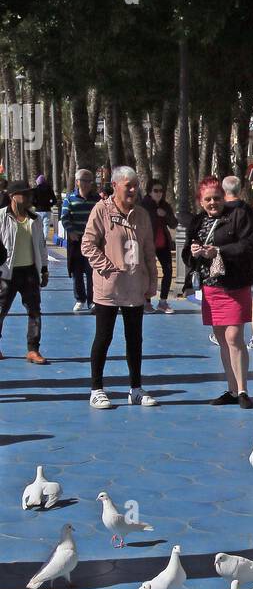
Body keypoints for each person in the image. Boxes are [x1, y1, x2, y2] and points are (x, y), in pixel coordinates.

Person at [82, 166, 158, 408]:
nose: (133, 190)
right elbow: (88, 244)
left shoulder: (142, 216)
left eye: (136, 185)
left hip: (135, 287)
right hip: (109, 288)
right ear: (115, 186)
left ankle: (136, 388)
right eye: (128, 186)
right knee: (103, 337)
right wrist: (107, 267)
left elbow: (148, 251)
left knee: (134, 338)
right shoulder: (101, 211)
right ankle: (96, 389)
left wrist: (151, 282)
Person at [183, 176, 253, 408]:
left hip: (235, 285)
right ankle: (231, 389)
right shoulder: (197, 222)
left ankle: (243, 390)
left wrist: (218, 251)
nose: (213, 203)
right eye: (207, 199)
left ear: (224, 197)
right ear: (200, 201)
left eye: (217, 198)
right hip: (211, 288)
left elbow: (249, 245)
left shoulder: (239, 216)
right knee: (221, 339)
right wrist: (194, 252)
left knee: (234, 337)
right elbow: (187, 254)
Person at [0, 180, 50, 363]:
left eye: (30, 193)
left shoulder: (35, 219)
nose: (30, 197)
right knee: (0, 310)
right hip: (6, 272)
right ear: (13, 196)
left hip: (29, 272)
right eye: (25, 193)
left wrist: (44, 270)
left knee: (35, 311)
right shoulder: (1, 217)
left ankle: (33, 350)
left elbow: (41, 246)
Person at [221, 175, 253, 352]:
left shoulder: (220, 211)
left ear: (224, 191)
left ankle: (224, 332)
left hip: (226, 264)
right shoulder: (251, 211)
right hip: (249, 264)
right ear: (239, 190)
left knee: (226, 300)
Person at [60, 168, 100, 312]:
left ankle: (92, 301)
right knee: (76, 272)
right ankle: (80, 298)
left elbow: (102, 217)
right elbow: (64, 217)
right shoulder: (69, 198)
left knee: (91, 271)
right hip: (76, 242)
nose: (88, 183)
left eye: (90, 181)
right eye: (85, 180)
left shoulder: (97, 199)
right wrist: (70, 231)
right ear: (78, 182)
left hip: (92, 242)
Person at [140, 179, 178, 313]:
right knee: (149, 273)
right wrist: (155, 215)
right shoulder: (143, 205)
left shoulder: (165, 206)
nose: (159, 193)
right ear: (149, 192)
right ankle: (147, 302)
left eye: (161, 191)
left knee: (168, 271)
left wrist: (165, 215)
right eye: (156, 190)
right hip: (148, 244)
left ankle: (163, 301)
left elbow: (174, 223)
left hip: (163, 244)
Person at [32, 174, 57, 241]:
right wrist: (50, 204)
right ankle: (44, 239)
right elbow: (54, 200)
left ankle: (39, 239)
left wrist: (36, 205)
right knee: (46, 225)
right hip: (47, 210)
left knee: (39, 226)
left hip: (38, 211)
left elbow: (32, 200)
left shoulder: (36, 189)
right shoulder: (49, 189)